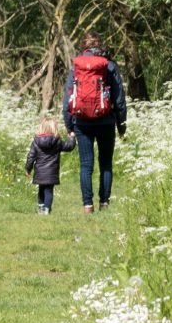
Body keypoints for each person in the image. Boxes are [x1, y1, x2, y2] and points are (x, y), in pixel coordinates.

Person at [64, 32, 127, 213]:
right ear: (100, 45)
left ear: (84, 47)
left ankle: (87, 205)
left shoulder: (76, 67)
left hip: (82, 123)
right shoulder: (109, 66)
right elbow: (119, 99)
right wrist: (121, 126)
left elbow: (68, 97)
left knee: (86, 165)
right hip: (106, 121)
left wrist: (69, 125)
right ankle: (104, 204)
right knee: (105, 163)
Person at [23, 114, 75, 214]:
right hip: (52, 172)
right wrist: (72, 138)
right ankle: (46, 209)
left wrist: (28, 169)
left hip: (39, 172)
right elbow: (69, 147)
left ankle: (41, 208)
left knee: (41, 189)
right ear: (54, 128)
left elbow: (31, 156)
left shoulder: (36, 141)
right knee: (48, 191)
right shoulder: (57, 141)